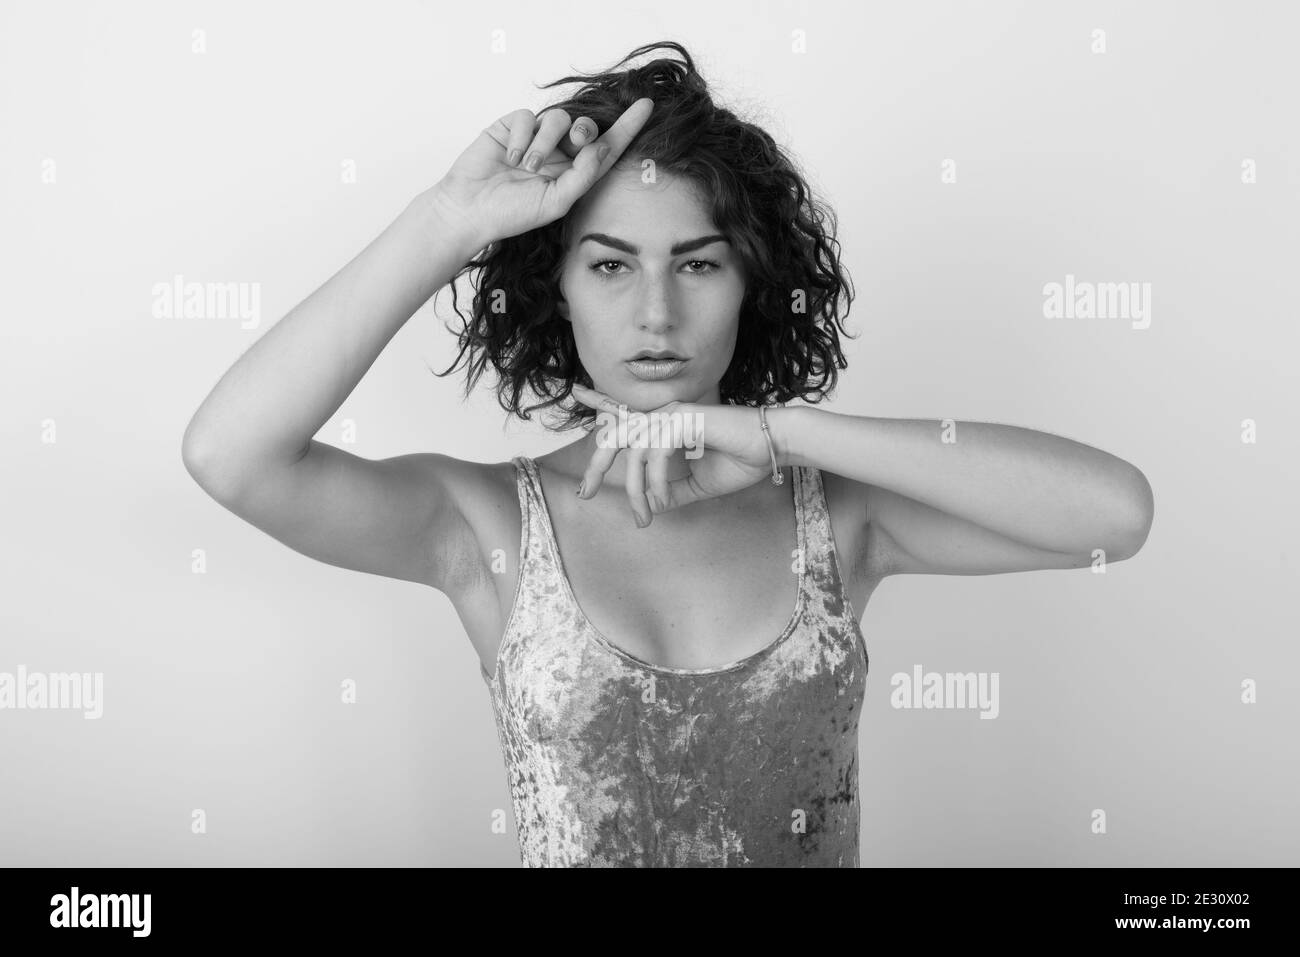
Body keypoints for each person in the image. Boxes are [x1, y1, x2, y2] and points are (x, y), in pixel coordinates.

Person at [181, 41, 1154, 867]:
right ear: (553, 286)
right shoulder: (480, 523)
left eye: (697, 263)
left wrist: (784, 432)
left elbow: (1115, 516)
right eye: (609, 264)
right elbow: (232, 454)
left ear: (752, 284)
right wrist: (448, 221)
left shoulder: (841, 514)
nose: (655, 312)